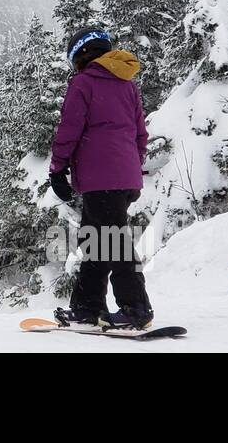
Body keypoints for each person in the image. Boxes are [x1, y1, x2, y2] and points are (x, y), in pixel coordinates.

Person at [47, 26, 153, 330]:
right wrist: (131, 168)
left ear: (81, 54)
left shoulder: (83, 83)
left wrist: (57, 169)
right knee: (95, 240)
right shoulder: (127, 84)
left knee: (114, 241)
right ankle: (86, 308)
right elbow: (140, 134)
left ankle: (136, 309)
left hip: (99, 177)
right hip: (122, 177)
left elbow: (69, 129)